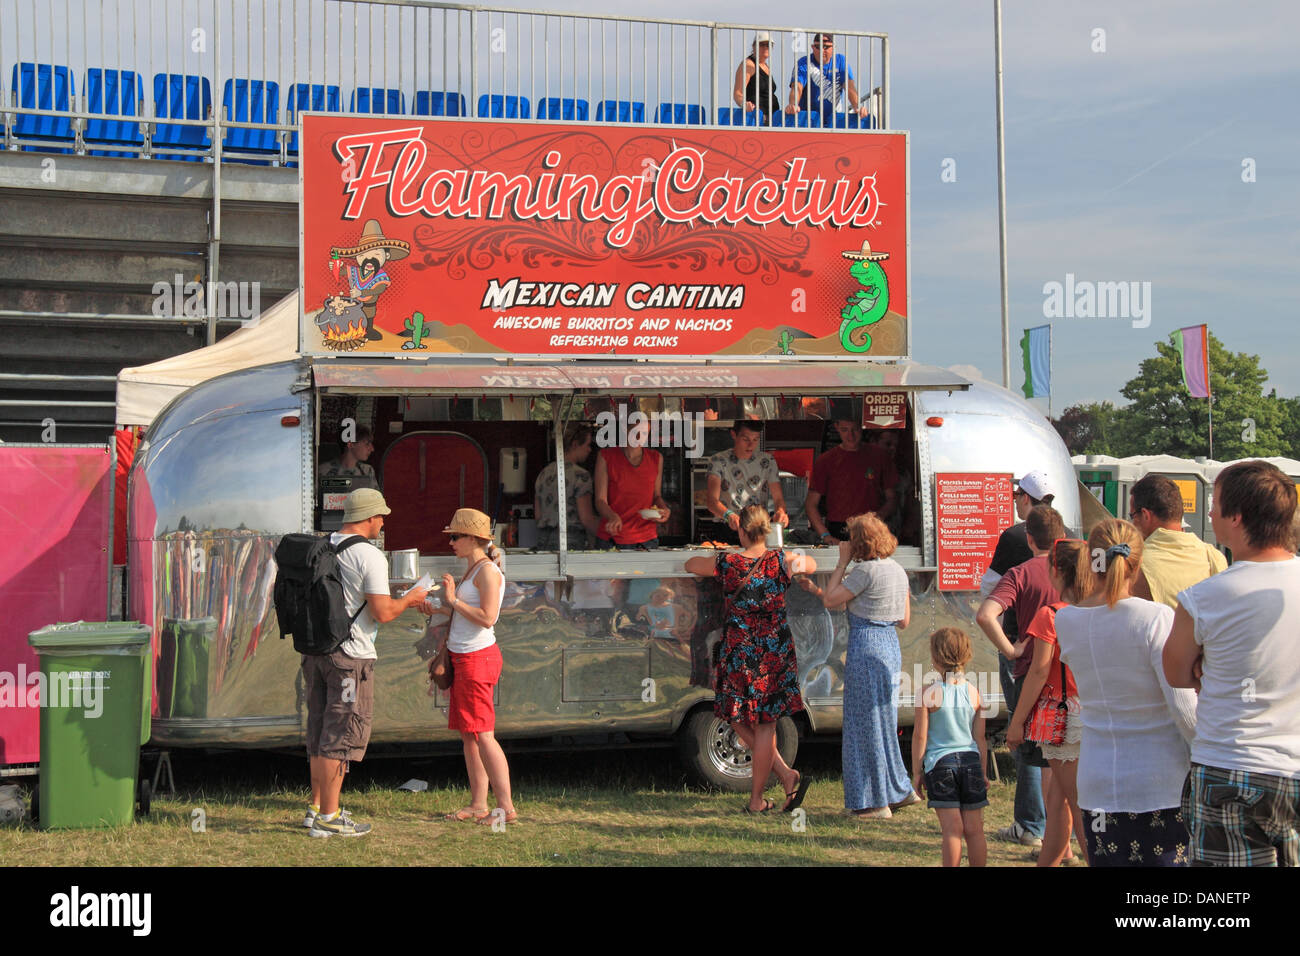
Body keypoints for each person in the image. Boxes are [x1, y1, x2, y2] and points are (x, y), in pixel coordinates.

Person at [1164, 460, 1300, 866]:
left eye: (1215, 504)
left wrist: (1206, 663)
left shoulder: (1204, 598)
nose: (1208, 513)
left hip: (1229, 764)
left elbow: (1175, 672)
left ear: (1236, 517)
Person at [1056, 519, 1198, 867]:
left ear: (1091, 559)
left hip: (1098, 783)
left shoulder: (1067, 621)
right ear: (1139, 561)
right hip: (1159, 785)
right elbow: (1182, 707)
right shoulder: (1156, 618)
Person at [305, 488, 428, 837]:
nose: (384, 522)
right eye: (381, 516)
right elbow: (383, 612)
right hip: (351, 657)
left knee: (318, 731)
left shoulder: (323, 544)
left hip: (316, 653)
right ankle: (329, 818)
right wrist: (410, 599)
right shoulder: (369, 556)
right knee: (340, 736)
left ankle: (315, 808)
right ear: (370, 518)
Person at [685, 504, 816, 814]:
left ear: (741, 530)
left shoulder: (729, 562)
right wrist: (793, 557)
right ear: (766, 531)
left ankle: (758, 799)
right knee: (766, 723)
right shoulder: (781, 561)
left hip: (741, 648)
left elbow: (691, 564)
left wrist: (723, 551)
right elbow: (809, 564)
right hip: (775, 650)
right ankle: (786, 774)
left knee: (733, 713)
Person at [812, 512, 915, 818]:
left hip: (866, 645)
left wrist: (841, 563)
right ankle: (899, 789)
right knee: (884, 720)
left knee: (863, 724)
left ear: (858, 543)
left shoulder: (864, 571)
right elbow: (905, 621)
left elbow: (830, 600)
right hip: (889, 646)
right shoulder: (898, 570)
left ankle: (875, 802)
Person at [975, 503, 1065, 849]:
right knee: (1066, 755)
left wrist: (1012, 650)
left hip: (1032, 674)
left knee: (1031, 748)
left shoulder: (1021, 573)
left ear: (1029, 539)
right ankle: (1064, 832)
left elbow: (986, 615)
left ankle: (1032, 825)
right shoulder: (1077, 571)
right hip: (1071, 675)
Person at [422, 508, 517, 825]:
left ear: (475, 539)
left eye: (456, 536)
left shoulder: (487, 571)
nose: (451, 542)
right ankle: (479, 804)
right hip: (466, 657)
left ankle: (504, 808)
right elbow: (465, 613)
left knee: (484, 735)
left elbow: (489, 617)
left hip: (478, 658)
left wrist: (451, 600)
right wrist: (436, 605)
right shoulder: (475, 568)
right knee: (470, 735)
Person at [1006, 539, 1089, 867]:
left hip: (1061, 716)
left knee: (1076, 806)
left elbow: (1039, 672)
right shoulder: (1096, 610)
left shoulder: (1051, 615)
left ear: (1056, 571)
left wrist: (1016, 723)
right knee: (1059, 802)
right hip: (1092, 711)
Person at [911, 627, 989, 866]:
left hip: (941, 765)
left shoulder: (927, 693)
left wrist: (916, 772)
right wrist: (983, 772)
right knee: (975, 830)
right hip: (971, 763)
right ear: (967, 655)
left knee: (952, 830)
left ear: (935, 659)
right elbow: (980, 739)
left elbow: (920, 737)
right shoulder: (976, 693)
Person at [1128, 473, 1227, 607]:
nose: (1132, 523)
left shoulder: (1135, 564)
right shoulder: (1214, 557)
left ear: (1145, 515)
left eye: (1132, 515)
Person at [804, 414, 897, 544]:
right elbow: (810, 504)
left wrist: (877, 518)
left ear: (862, 427)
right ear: (836, 427)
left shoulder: (880, 456)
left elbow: (892, 499)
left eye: (855, 429)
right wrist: (825, 535)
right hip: (838, 528)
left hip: (872, 528)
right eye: (845, 430)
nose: (851, 435)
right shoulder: (826, 460)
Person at [704, 420, 788, 543]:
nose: (751, 445)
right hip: (728, 528)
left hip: (758, 529)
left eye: (755, 440)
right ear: (733, 435)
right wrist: (729, 515)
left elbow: (778, 499)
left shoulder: (767, 461)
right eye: (745, 439)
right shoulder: (718, 461)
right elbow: (711, 501)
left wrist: (780, 512)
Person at [594, 417, 670, 550]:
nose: (640, 437)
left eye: (645, 433)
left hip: (646, 539)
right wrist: (612, 516)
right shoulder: (606, 456)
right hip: (613, 537)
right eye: (636, 431)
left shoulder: (656, 458)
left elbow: (656, 496)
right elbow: (600, 500)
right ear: (625, 430)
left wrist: (664, 510)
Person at [534, 422, 601, 551]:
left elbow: (538, 516)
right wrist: (606, 534)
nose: (590, 449)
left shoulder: (544, 473)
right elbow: (586, 519)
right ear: (575, 444)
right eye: (587, 445)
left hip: (543, 540)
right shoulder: (581, 475)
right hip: (571, 540)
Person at [786, 32, 872, 123]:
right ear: (812, 47)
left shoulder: (840, 61)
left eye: (826, 47)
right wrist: (793, 104)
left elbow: (850, 87)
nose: (822, 50)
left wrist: (857, 106)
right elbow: (797, 87)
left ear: (833, 48)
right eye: (818, 47)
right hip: (809, 121)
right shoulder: (804, 62)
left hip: (833, 121)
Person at [732, 31, 783, 125]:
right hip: (756, 119)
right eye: (762, 44)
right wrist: (744, 104)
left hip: (772, 119)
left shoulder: (766, 66)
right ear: (754, 46)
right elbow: (737, 93)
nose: (765, 47)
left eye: (768, 45)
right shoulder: (748, 65)